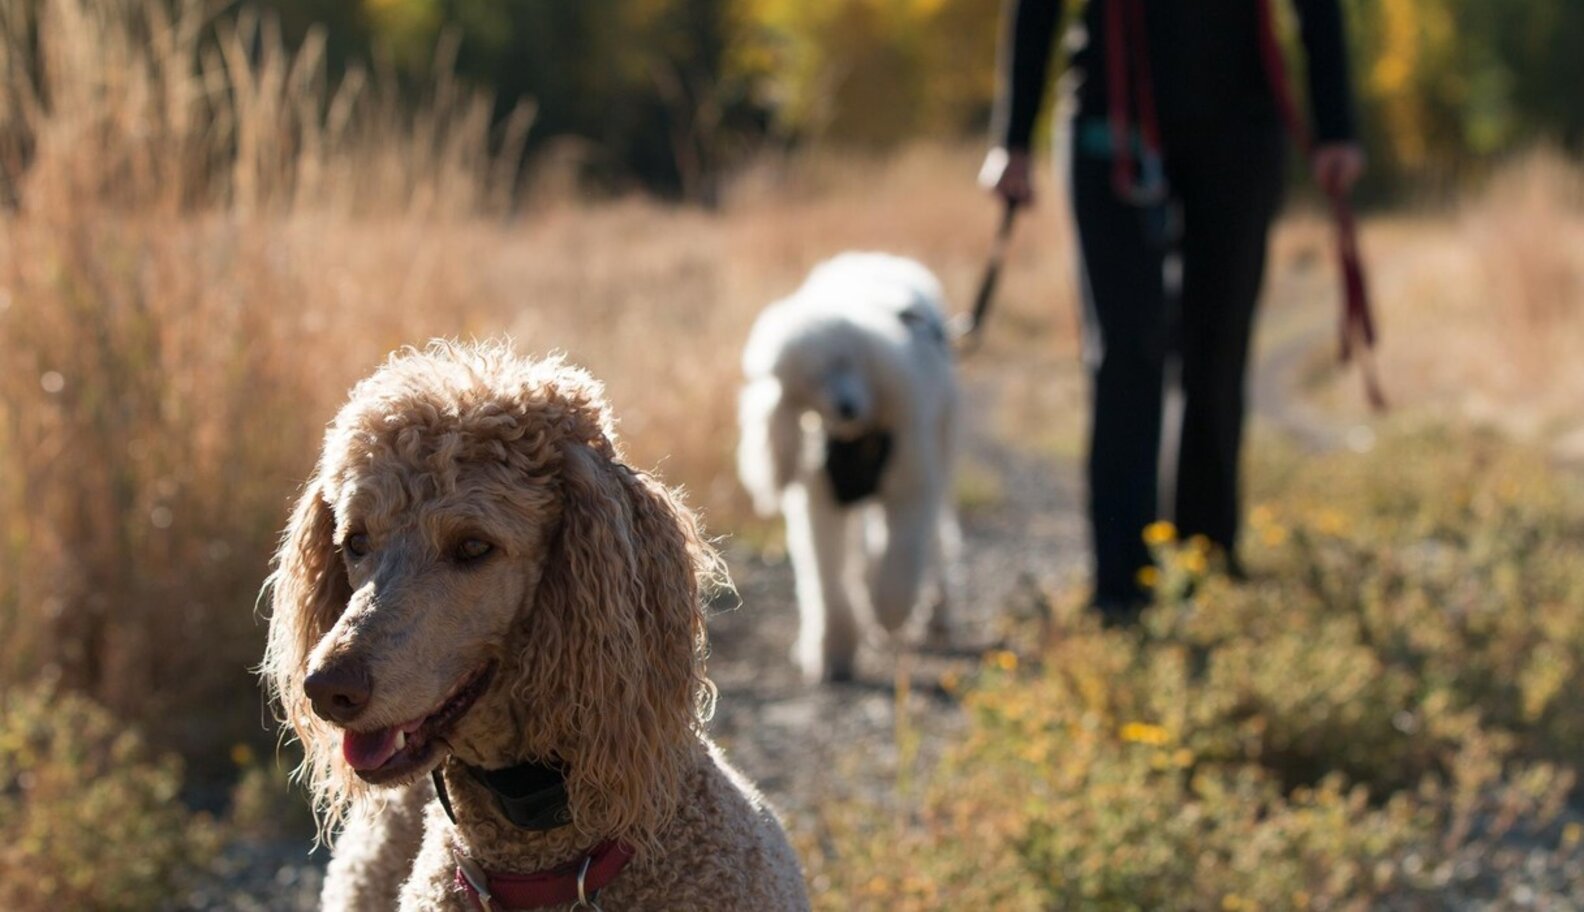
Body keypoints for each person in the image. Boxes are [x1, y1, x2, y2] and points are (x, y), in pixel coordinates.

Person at [981, 0, 1365, 619]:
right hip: (1113, 115)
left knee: (1218, 353)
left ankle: (1206, 572)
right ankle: (1120, 592)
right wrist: (1014, 138)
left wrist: (1337, 125)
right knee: (1125, 352)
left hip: (1239, 124)